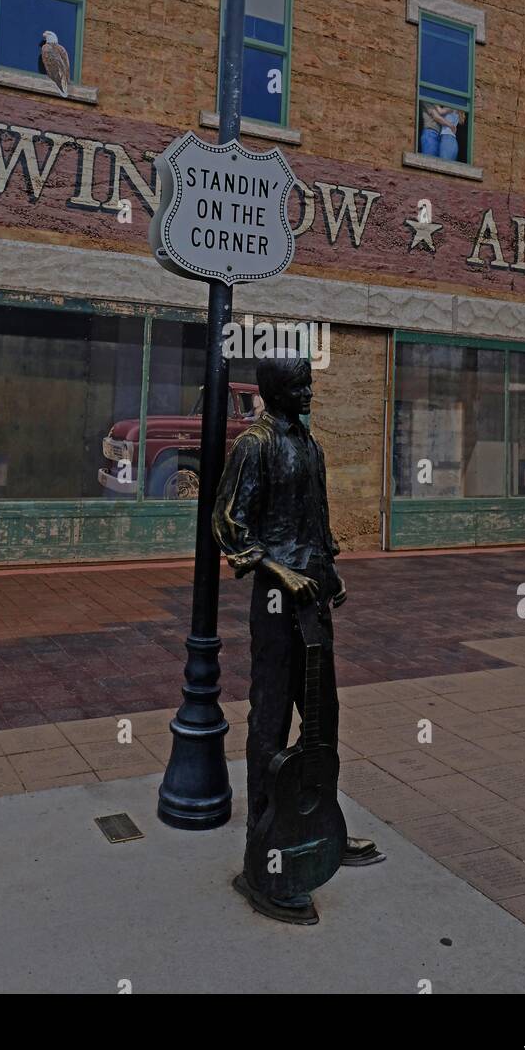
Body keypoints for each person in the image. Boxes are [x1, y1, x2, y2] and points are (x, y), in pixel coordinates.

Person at [213, 355, 384, 927]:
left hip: (313, 601)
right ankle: (264, 855)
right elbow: (230, 523)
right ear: (274, 391)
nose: (310, 391)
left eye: (310, 382)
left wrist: (329, 570)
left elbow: (316, 519)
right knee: (268, 723)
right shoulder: (254, 446)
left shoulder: (310, 446)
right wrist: (279, 572)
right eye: (299, 385)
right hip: (276, 603)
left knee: (322, 719)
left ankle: (318, 825)